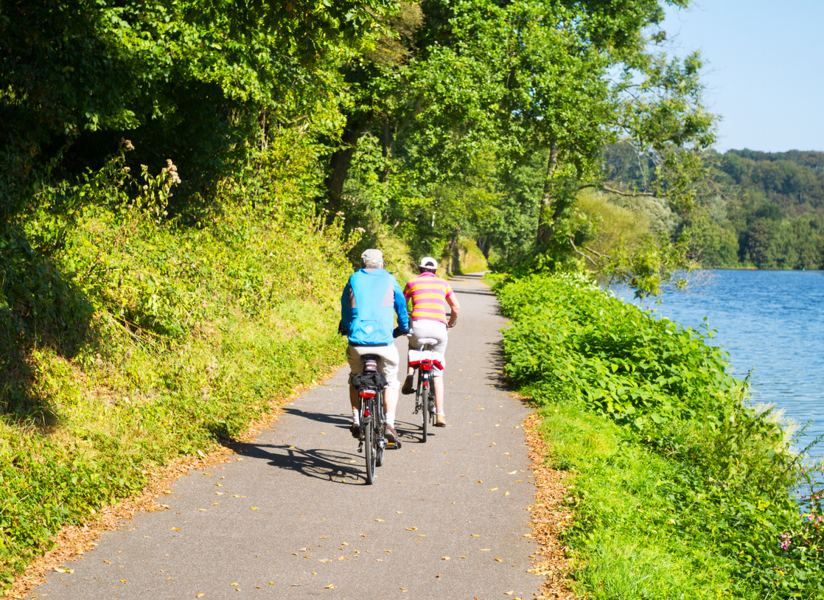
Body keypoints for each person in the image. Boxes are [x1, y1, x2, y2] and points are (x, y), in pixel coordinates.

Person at [339, 248, 409, 444]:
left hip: (358, 342)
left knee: (355, 378)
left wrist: (345, 326)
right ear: (381, 264)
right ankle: (389, 424)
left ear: (362, 265)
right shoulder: (389, 278)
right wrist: (403, 327)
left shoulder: (353, 279)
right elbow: (401, 305)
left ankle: (355, 421)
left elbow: (345, 307)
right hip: (383, 342)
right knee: (392, 381)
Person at [401, 257, 460, 427]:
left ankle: (410, 376)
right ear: (435, 271)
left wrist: (406, 323)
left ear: (420, 270)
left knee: (413, 348)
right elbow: (455, 308)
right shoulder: (443, 284)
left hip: (418, 326)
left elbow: (402, 306)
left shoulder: (411, 283)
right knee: (438, 372)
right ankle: (440, 414)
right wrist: (451, 323)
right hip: (439, 329)